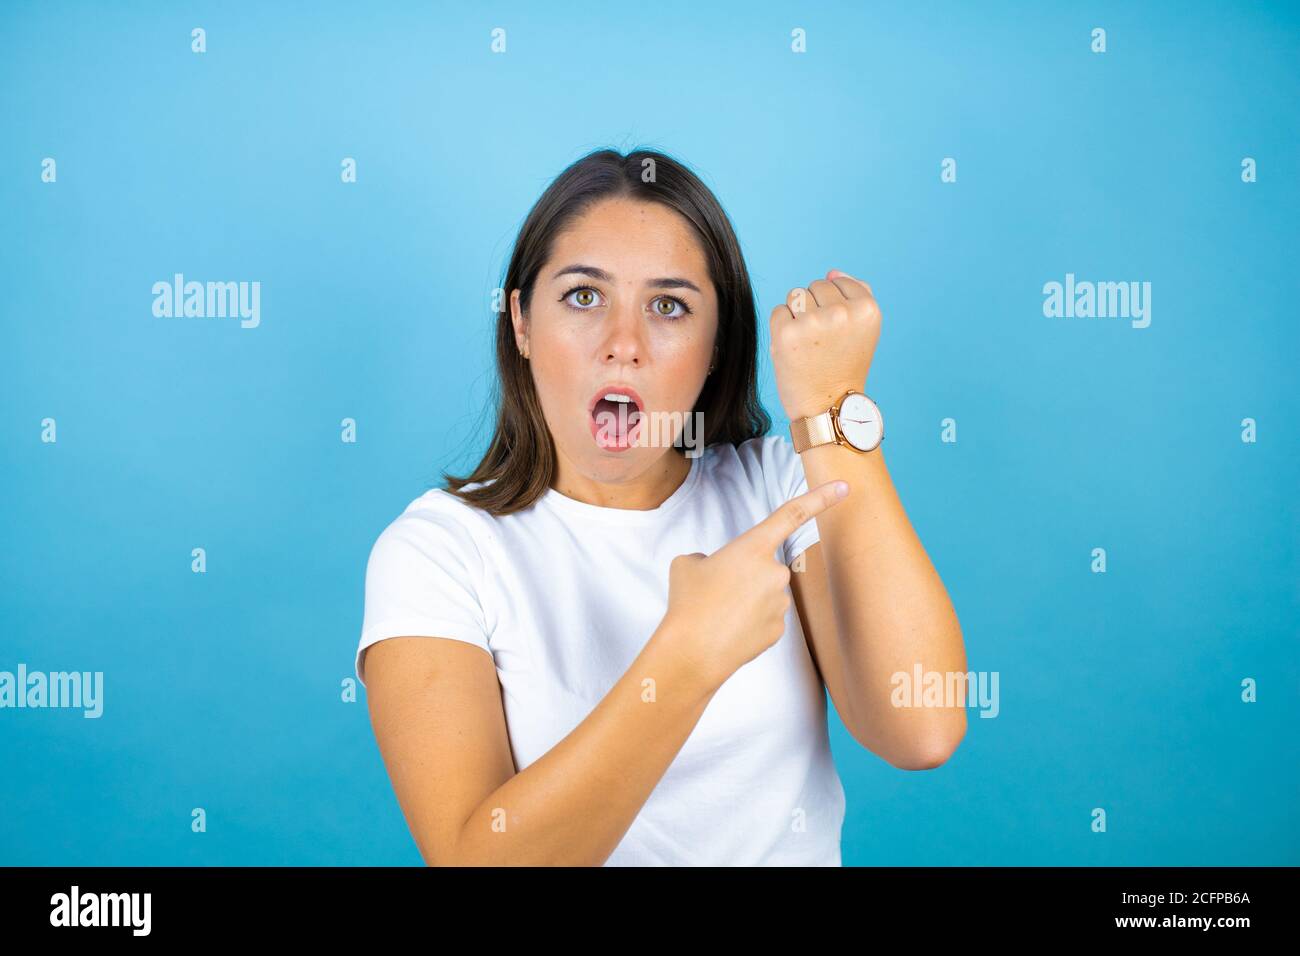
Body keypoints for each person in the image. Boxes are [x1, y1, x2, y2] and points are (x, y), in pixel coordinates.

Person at [355, 147, 968, 866]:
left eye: (670, 306)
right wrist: (689, 656)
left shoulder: (777, 487)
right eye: (584, 296)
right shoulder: (438, 552)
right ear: (520, 322)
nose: (624, 345)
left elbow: (921, 727)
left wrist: (831, 411)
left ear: (715, 347)